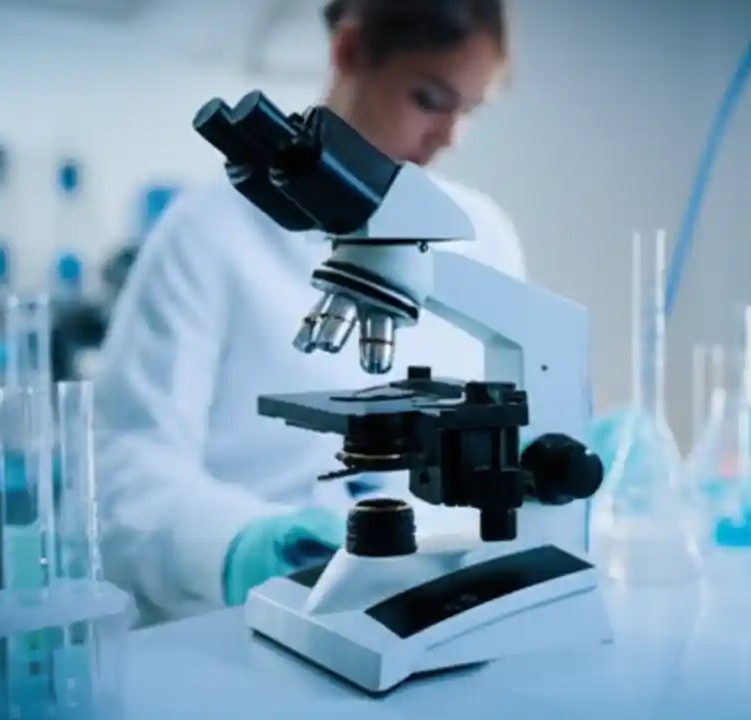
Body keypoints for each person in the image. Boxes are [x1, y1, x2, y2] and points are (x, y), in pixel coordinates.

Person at [94, 0, 523, 624]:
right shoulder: (205, 229)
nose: (449, 136)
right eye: (430, 99)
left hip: (434, 604)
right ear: (349, 52)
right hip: (235, 620)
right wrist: (239, 548)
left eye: (470, 111)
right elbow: (130, 469)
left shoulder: (481, 231)